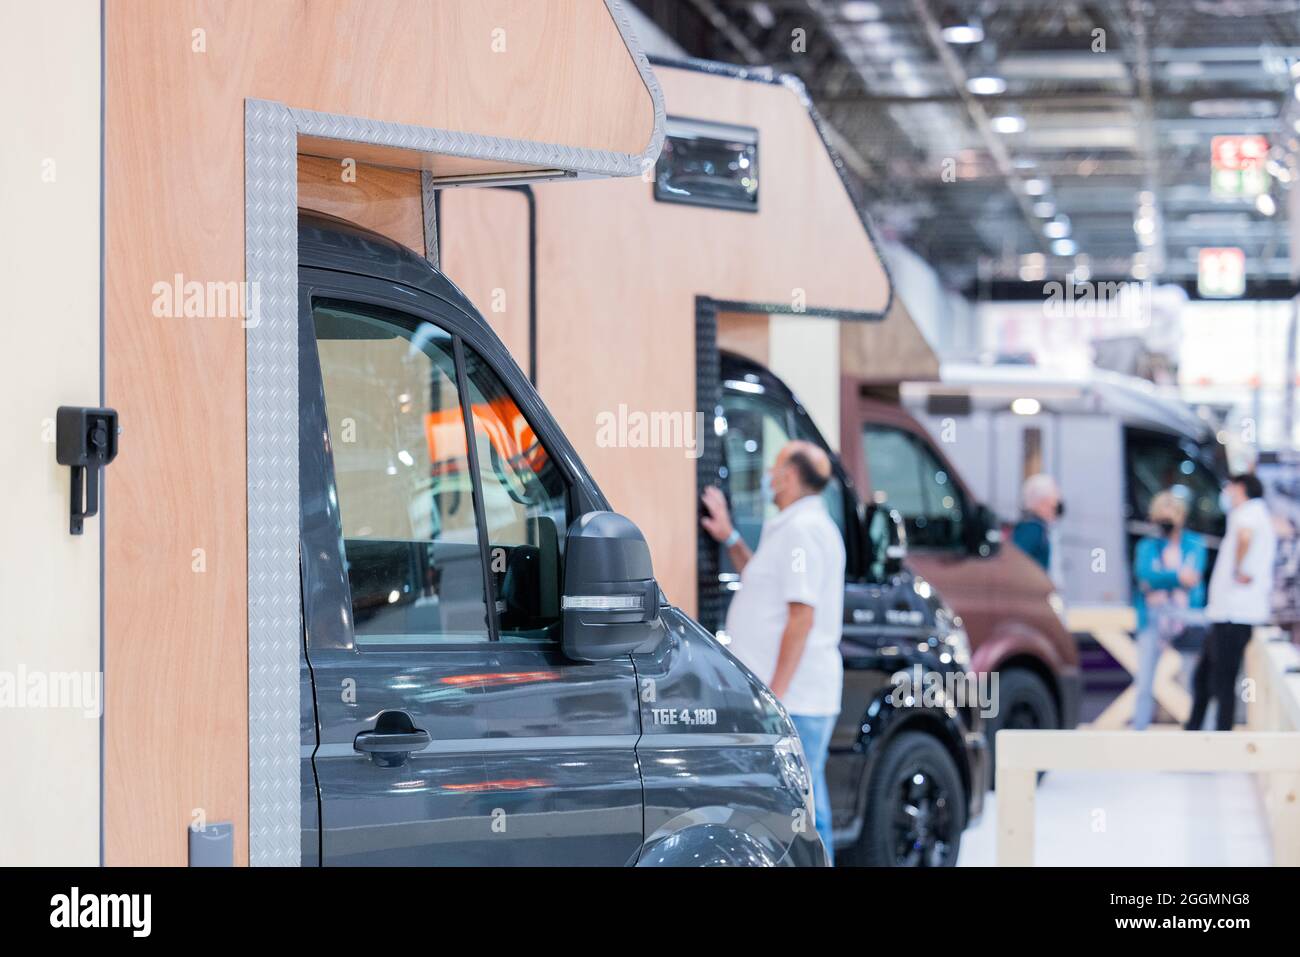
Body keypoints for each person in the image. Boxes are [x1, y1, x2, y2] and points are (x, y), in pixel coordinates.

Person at [700, 440, 845, 863]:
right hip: (792, 696)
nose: (769, 474)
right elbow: (762, 579)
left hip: (795, 699)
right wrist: (730, 537)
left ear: (791, 476)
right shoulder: (792, 528)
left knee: (800, 809)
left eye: (775, 465)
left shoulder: (802, 533)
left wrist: (774, 697)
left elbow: (801, 617)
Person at [1186, 472, 1277, 732]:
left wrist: (1238, 568)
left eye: (1231, 488)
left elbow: (1244, 537)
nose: (1226, 493)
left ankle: (1221, 739)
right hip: (1230, 613)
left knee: (1221, 680)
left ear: (1242, 489)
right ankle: (1197, 732)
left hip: (1235, 614)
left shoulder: (1248, 514)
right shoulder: (1257, 515)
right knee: (1207, 678)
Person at [1131, 491, 1206, 730]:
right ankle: (1139, 732)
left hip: (1186, 619)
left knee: (1193, 681)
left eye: (1170, 516)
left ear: (1181, 517)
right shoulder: (1147, 546)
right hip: (1153, 618)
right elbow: (1145, 577)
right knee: (1144, 681)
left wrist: (1159, 581)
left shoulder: (1195, 544)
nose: (1166, 523)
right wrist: (1176, 577)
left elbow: (1193, 578)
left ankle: (1202, 733)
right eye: (1160, 517)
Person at [1011, 473, 1063, 574]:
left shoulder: (1040, 528)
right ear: (1041, 503)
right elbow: (1015, 563)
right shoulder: (1031, 530)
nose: (1055, 511)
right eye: (1052, 506)